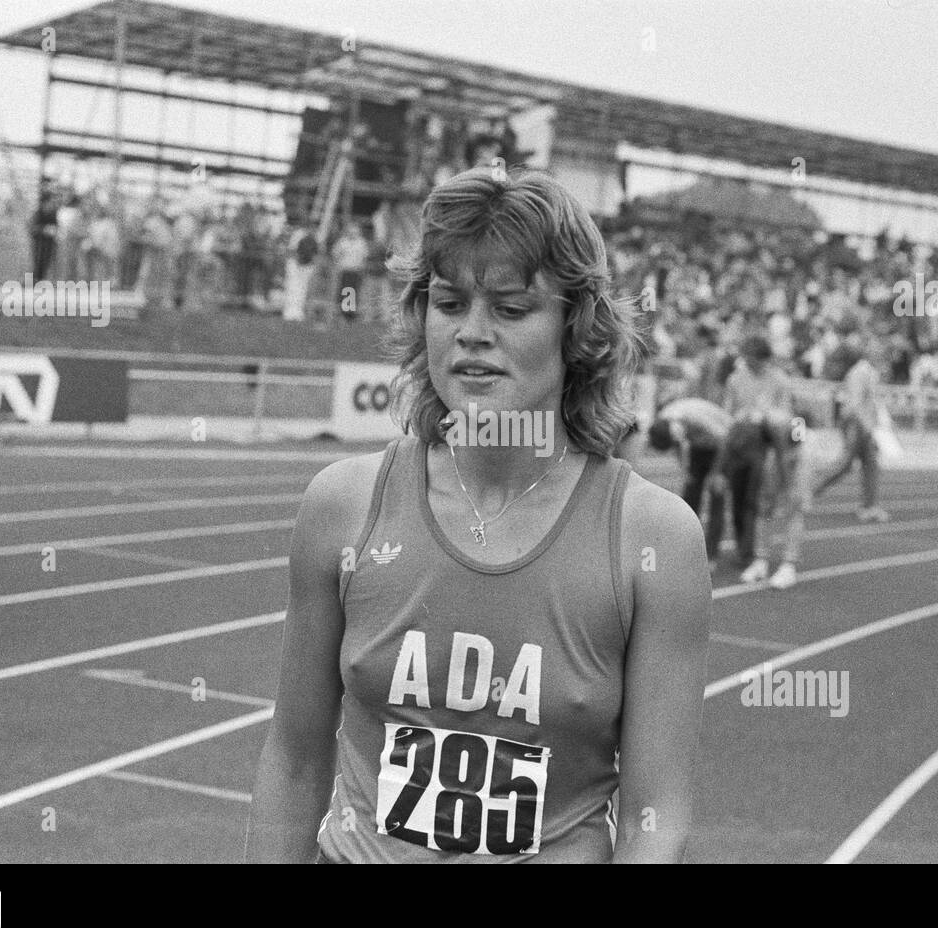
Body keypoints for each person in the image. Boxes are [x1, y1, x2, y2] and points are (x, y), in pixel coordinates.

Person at [248, 168, 711, 863]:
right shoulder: (343, 508)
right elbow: (294, 762)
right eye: (449, 302)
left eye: (511, 308)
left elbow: (655, 812)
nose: (472, 334)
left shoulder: (652, 541)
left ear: (576, 328)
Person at [723, 334, 791, 573]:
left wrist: (766, 415)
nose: (751, 364)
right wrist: (740, 418)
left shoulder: (779, 380)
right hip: (739, 441)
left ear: (766, 359)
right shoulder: (735, 379)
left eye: (756, 360)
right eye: (748, 359)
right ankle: (744, 546)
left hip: (765, 444)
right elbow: (728, 411)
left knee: (755, 498)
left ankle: (750, 551)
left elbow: (785, 415)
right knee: (738, 497)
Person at [647, 396, 733, 568]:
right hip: (699, 447)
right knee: (689, 499)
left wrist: (716, 473)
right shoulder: (664, 420)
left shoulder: (697, 419)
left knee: (717, 497)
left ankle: (711, 555)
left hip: (723, 446)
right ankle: (685, 548)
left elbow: (724, 440)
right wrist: (685, 471)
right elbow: (677, 445)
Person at [812, 335, 890, 522]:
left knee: (871, 464)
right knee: (844, 464)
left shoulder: (871, 372)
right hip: (855, 423)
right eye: (878, 351)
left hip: (863, 423)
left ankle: (869, 506)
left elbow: (871, 402)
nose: (881, 355)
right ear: (869, 353)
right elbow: (855, 404)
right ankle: (807, 491)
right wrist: (868, 427)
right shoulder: (859, 372)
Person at [744, 409, 811, 590]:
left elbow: (794, 441)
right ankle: (761, 560)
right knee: (764, 507)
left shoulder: (777, 424)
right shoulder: (750, 425)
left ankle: (789, 565)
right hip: (778, 453)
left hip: (797, 454)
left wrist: (789, 487)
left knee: (794, 508)